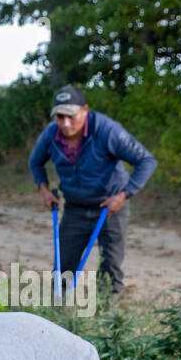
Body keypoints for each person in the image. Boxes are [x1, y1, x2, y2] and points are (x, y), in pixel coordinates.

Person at [29, 84, 156, 297]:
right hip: (75, 207)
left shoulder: (107, 130)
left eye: (71, 116)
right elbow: (35, 161)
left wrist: (124, 195)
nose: (65, 123)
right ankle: (57, 314)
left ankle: (107, 318)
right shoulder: (51, 135)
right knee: (62, 267)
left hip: (110, 206)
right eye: (60, 117)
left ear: (85, 110)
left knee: (110, 266)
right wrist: (44, 189)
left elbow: (146, 160)